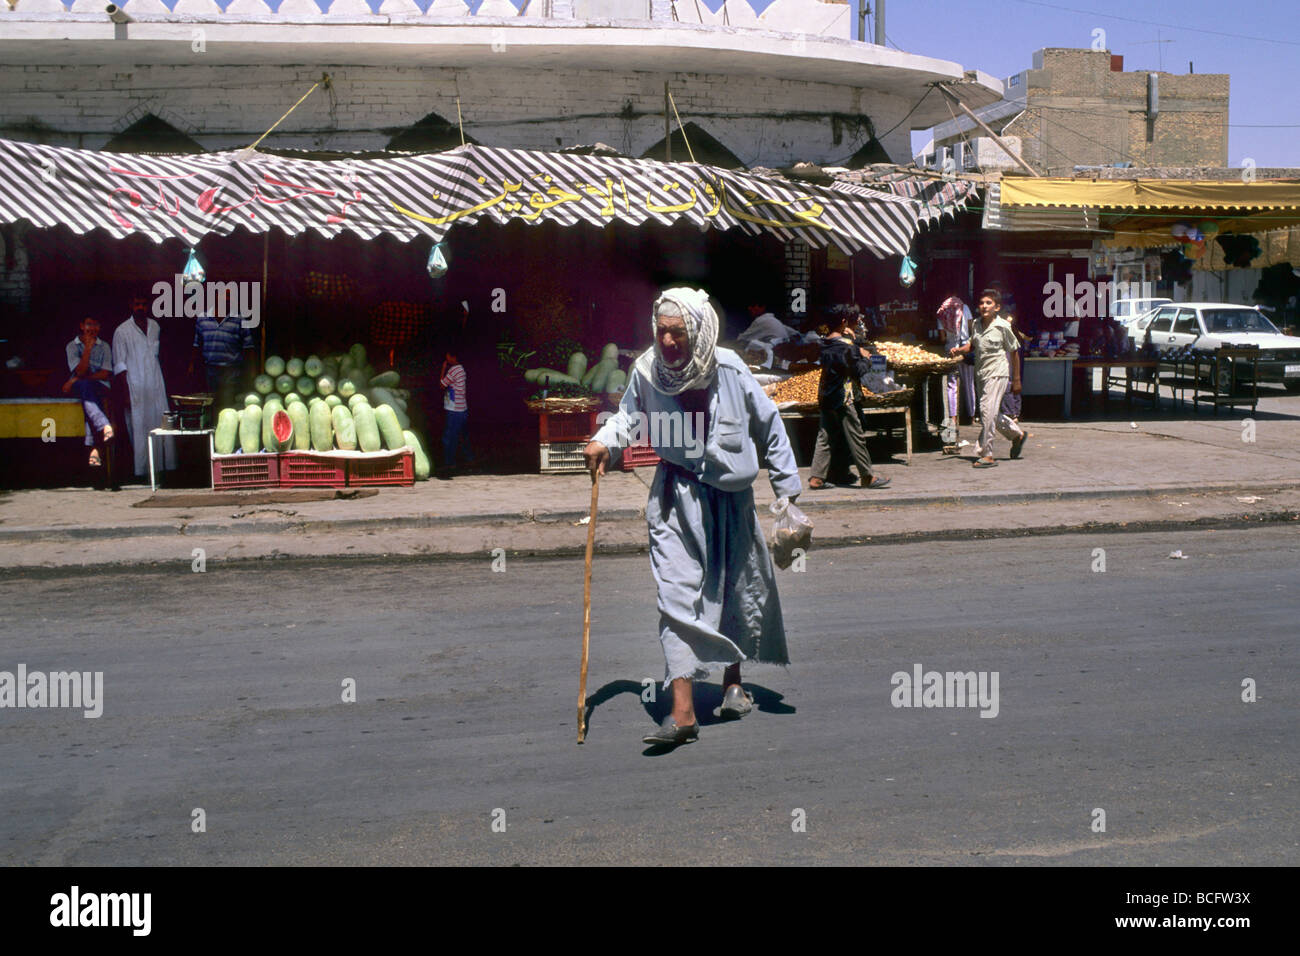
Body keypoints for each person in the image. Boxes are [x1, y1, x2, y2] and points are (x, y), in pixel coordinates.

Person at [583, 288, 801, 747]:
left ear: (698, 332)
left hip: (732, 498)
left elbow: (770, 424)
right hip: (674, 496)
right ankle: (682, 714)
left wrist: (787, 492)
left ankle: (733, 682)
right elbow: (627, 417)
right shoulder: (647, 370)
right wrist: (606, 441)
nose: (666, 341)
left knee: (733, 587)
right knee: (676, 595)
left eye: (677, 332)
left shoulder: (730, 368)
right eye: (660, 331)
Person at [808, 306, 891, 490]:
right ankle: (867, 476)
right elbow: (857, 371)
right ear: (844, 322)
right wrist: (867, 358)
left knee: (825, 436)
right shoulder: (846, 347)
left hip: (826, 395)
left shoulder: (824, 344)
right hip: (843, 398)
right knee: (856, 435)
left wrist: (853, 346)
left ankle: (816, 478)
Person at [950, 289, 1025, 467]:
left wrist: (1016, 380)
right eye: (982, 303)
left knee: (986, 412)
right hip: (981, 374)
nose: (984, 306)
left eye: (989, 303)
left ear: (997, 307)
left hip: (998, 373)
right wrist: (960, 349)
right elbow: (973, 344)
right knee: (990, 412)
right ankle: (1016, 435)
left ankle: (987, 454)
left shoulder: (1003, 326)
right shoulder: (975, 324)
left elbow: (1014, 352)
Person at [113, 294, 173, 479]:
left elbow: (155, 356)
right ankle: (142, 471)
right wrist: (125, 394)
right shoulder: (121, 331)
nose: (140, 307)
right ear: (131, 304)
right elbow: (119, 365)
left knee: (161, 423)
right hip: (135, 386)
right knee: (139, 426)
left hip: (155, 383)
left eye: (144, 304)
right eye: (137, 303)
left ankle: (165, 469)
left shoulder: (155, 326)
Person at [63, 316, 118, 486]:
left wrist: (74, 380)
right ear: (81, 326)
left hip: (99, 387)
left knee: (89, 394)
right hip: (84, 388)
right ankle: (103, 427)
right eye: (88, 324)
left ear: (100, 327)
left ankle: (94, 448)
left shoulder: (105, 346)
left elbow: (105, 373)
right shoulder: (72, 346)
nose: (92, 328)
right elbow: (79, 370)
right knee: (88, 391)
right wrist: (87, 348)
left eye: (95, 324)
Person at [189, 297, 255, 411]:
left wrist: (252, 370)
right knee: (212, 403)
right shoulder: (203, 318)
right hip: (211, 369)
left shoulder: (239, 319)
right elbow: (196, 345)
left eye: (228, 300)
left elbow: (248, 347)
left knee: (228, 404)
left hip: (231, 370)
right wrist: (191, 365)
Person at [935, 296, 975, 445]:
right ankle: (971, 415)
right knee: (968, 383)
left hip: (950, 351)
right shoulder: (965, 308)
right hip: (966, 349)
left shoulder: (942, 312)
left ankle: (952, 417)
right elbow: (972, 329)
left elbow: (942, 337)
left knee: (952, 386)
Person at [439, 348, 470, 475]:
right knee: (462, 436)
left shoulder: (453, 370)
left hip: (454, 410)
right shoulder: (461, 369)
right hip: (462, 409)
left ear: (453, 357)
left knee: (449, 437)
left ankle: (449, 464)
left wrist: (443, 369)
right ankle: (469, 459)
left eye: (447, 356)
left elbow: (442, 384)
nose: (446, 359)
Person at [736, 301, 800, 347]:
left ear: (762, 307)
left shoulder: (761, 321)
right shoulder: (773, 319)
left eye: (753, 306)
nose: (749, 308)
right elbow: (795, 333)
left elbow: (741, 339)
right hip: (784, 349)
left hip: (777, 352)